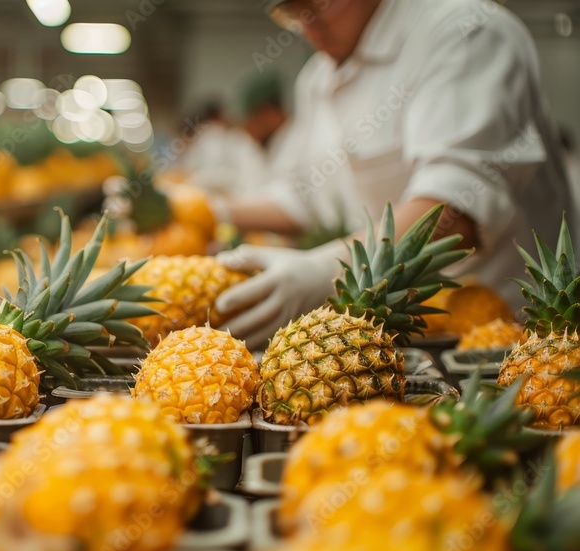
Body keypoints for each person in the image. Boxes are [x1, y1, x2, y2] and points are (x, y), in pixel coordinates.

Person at [214, 0, 572, 349]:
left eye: (319, 3)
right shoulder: (316, 80)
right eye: (291, 12)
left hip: (509, 335)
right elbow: (309, 198)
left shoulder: (464, 30)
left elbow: (457, 208)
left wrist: (328, 269)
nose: (308, 23)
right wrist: (216, 211)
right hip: (395, 332)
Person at [226, 72, 291, 195]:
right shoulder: (267, 146)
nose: (246, 131)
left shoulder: (298, 147)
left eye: (249, 122)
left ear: (268, 113)